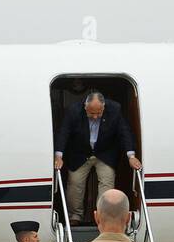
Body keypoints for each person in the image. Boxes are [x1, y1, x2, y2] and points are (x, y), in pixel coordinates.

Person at [53, 92, 141, 225]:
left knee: (107, 183)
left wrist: (131, 156)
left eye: (98, 113)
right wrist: (58, 156)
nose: (95, 116)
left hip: (104, 152)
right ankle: (75, 216)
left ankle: (102, 217)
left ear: (104, 107)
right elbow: (63, 132)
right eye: (91, 113)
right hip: (80, 153)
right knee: (75, 183)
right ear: (85, 107)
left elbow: (125, 132)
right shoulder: (74, 110)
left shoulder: (115, 109)